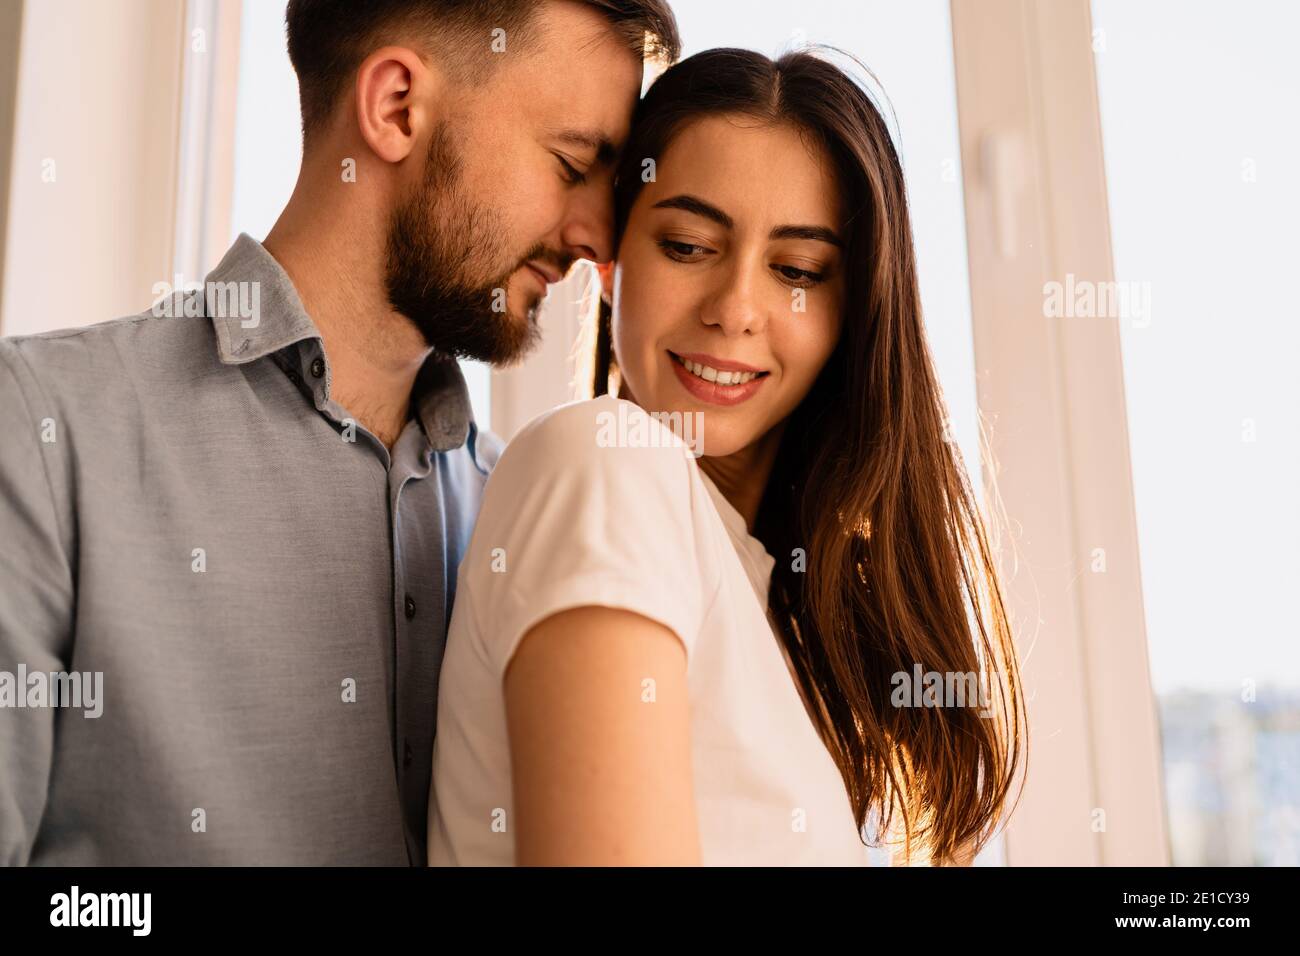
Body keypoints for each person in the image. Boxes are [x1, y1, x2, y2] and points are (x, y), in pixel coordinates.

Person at [0, 0, 680, 866]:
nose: (596, 238)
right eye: (573, 163)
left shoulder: (527, 521)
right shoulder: (39, 430)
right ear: (397, 106)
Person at [429, 47, 1026, 866]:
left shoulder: (776, 599)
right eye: (686, 244)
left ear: (852, 313)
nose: (736, 309)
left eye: (797, 269)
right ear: (610, 259)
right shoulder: (609, 464)